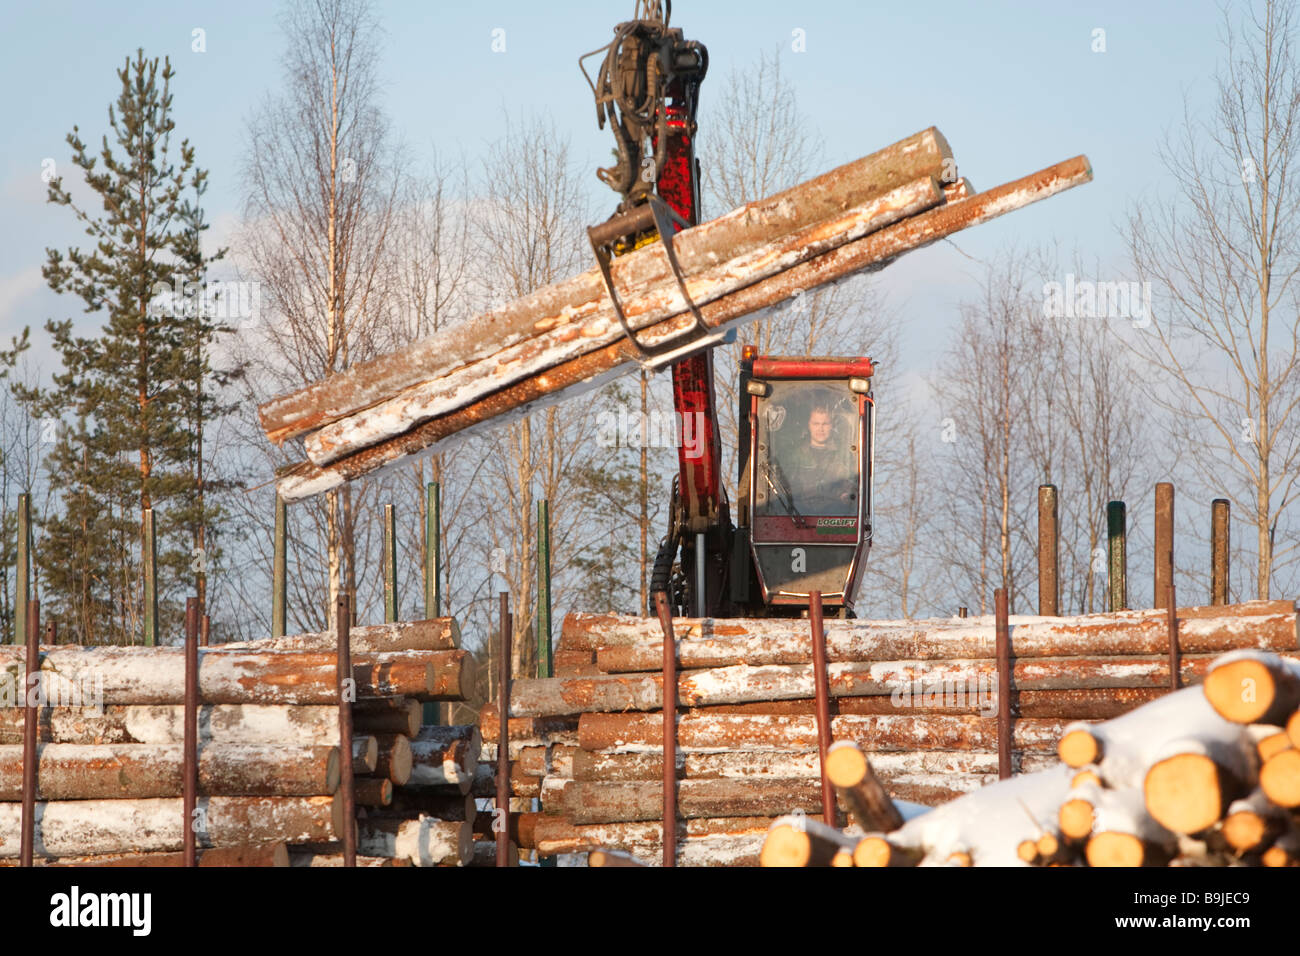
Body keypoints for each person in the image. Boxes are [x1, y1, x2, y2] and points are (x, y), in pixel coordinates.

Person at [785, 404, 857, 514]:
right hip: (797, 514)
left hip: (833, 515)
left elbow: (852, 485)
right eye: (816, 424)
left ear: (832, 426)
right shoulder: (794, 455)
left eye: (825, 424)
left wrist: (845, 494)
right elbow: (786, 487)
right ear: (808, 425)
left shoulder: (844, 455)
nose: (820, 429)